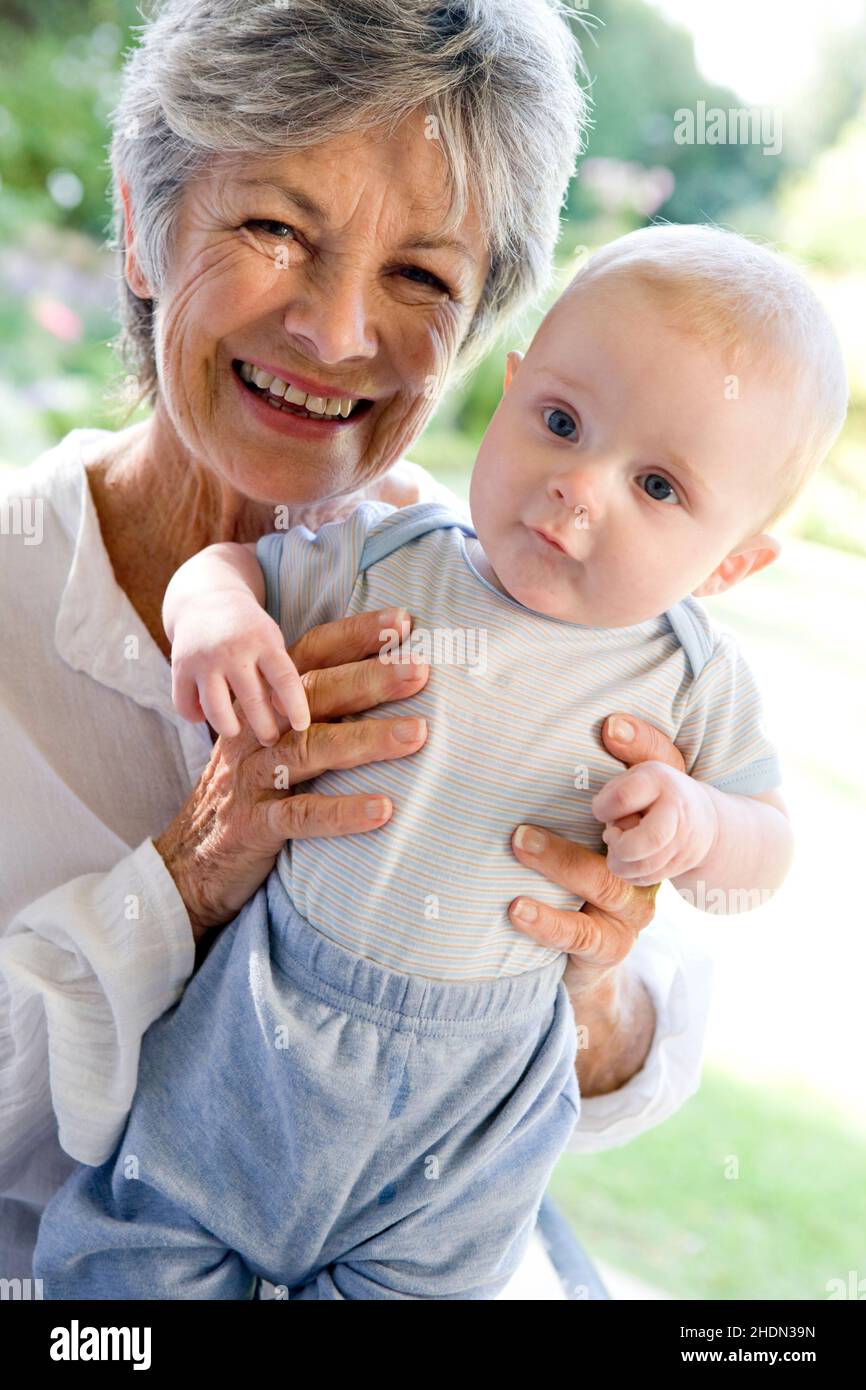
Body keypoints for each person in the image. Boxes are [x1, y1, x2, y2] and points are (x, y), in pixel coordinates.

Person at [0, 0, 709, 1289]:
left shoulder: (492, 591)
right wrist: (188, 876)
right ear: (144, 228)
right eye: (275, 228)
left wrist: (583, 984)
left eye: (421, 277)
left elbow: (634, 1068)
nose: (335, 334)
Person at [34, 224, 845, 1298]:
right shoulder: (392, 556)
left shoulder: (686, 676)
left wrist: (698, 825)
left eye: (656, 487)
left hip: (477, 1089)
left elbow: (767, 847)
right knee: (138, 1257)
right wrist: (220, 617)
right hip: (269, 1018)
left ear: (733, 562)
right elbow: (228, 565)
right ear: (507, 393)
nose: (576, 487)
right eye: (559, 422)